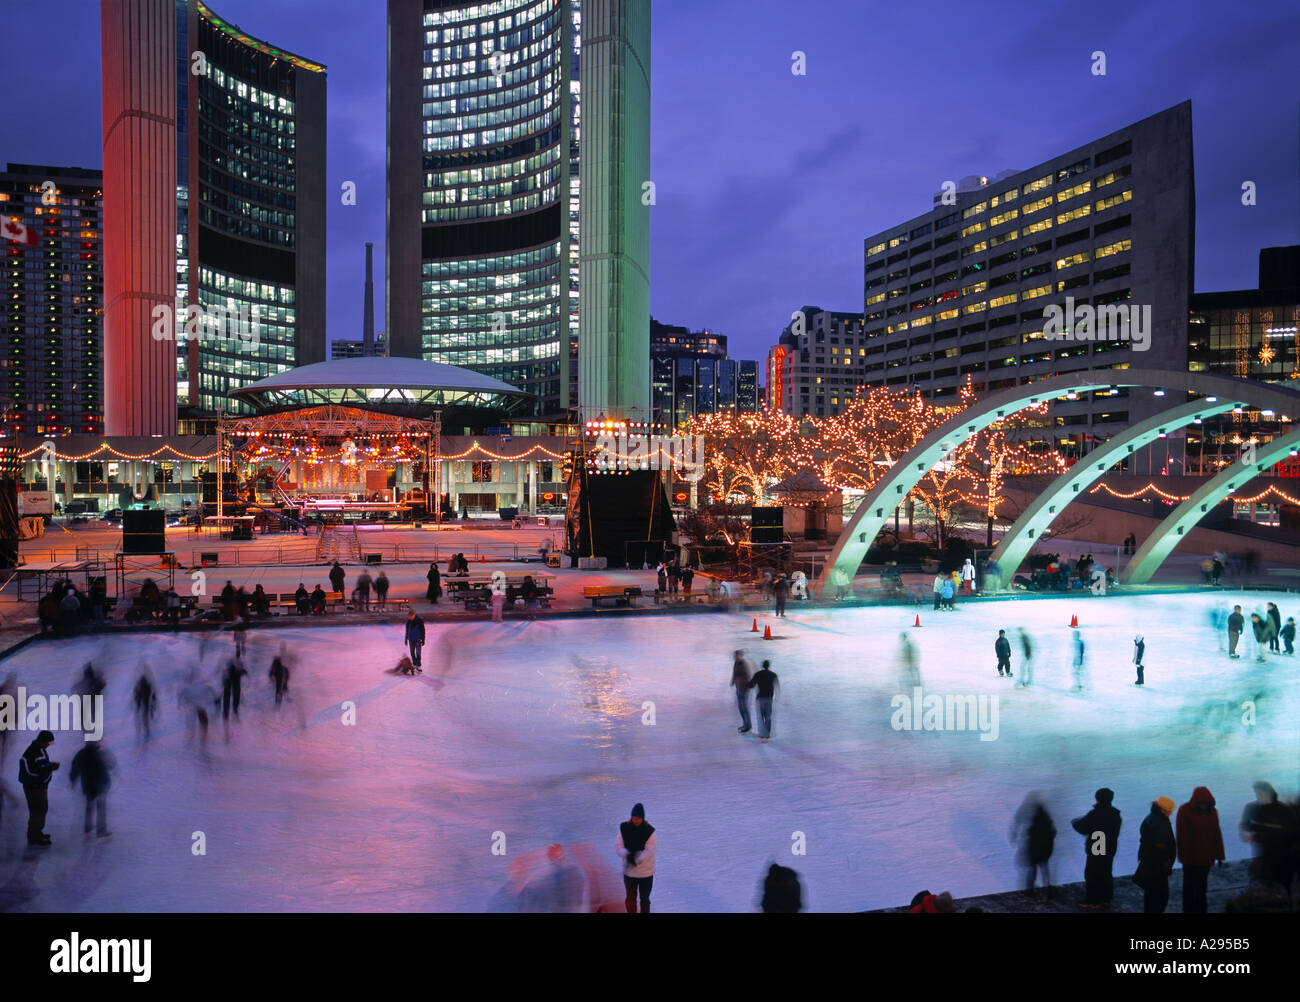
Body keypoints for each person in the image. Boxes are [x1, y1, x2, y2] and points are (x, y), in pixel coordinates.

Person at [1238, 781, 1296, 892]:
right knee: (1265, 884)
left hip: (1283, 856)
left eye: (1261, 793)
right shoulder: (1252, 808)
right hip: (1262, 856)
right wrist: (1245, 833)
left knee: (1283, 884)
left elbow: (1292, 833)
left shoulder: (1283, 810)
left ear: (1270, 793)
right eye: (1257, 794)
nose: (1259, 797)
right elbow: (1244, 825)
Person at [1175, 786, 1225, 914]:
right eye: (1201, 803)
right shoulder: (1184, 811)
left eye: (1206, 803)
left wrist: (1220, 855)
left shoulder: (1213, 812)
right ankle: (1188, 910)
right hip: (1190, 859)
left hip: (1206, 859)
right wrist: (1183, 857)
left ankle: (1201, 910)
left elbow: (1216, 834)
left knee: (1201, 888)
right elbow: (1181, 837)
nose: (1204, 806)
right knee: (1189, 887)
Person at [1071, 787, 1121, 909]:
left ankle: (1092, 901)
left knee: (1092, 874)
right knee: (1106, 872)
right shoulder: (1116, 814)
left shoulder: (1095, 814)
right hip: (1110, 847)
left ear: (1097, 798)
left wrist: (1074, 822)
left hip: (1097, 846)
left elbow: (1082, 827)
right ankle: (1106, 899)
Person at [1134, 796, 1176, 914]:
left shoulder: (1153, 818)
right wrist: (1166, 863)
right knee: (1160, 897)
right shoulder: (1159, 823)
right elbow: (1161, 847)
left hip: (1150, 863)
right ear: (1163, 810)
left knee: (1152, 895)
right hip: (1156, 866)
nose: (1171, 813)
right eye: (1169, 811)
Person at [18, 730, 59, 847]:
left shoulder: (37, 749)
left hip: (37, 786)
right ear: (43, 741)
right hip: (35, 787)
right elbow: (38, 769)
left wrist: (49, 766)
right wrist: (52, 766)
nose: (49, 745)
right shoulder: (36, 751)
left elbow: (38, 766)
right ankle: (34, 837)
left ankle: (36, 833)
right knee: (38, 810)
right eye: (48, 742)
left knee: (39, 810)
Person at [68, 739, 114, 838]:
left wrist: (72, 779)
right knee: (101, 807)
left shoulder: (81, 754)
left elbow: (75, 767)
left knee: (89, 806)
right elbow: (110, 765)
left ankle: (87, 827)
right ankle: (101, 830)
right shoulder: (100, 753)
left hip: (88, 785)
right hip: (100, 785)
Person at [616, 803, 657, 914]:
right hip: (629, 872)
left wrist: (636, 858)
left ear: (642, 818)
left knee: (644, 900)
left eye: (638, 818)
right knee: (630, 899)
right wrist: (626, 854)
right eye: (634, 818)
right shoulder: (624, 828)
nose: (636, 820)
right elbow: (619, 846)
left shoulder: (649, 831)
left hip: (646, 873)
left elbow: (649, 850)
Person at [1010, 797, 1056, 893]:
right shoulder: (1045, 817)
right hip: (1046, 847)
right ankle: (1046, 887)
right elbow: (1054, 832)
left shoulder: (1032, 823)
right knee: (1044, 866)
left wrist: (1014, 836)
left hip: (1035, 848)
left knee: (1032, 867)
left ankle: (1030, 889)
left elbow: (1017, 821)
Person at [750, 659, 779, 742]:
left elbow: (751, 685)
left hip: (760, 698)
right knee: (768, 717)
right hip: (769, 698)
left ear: (762, 665)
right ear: (768, 666)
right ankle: (767, 735)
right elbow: (777, 686)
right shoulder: (773, 675)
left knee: (760, 717)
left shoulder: (757, 674)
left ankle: (762, 734)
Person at [731, 650, 753, 734]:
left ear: (741, 656)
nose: (736, 658)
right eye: (735, 656)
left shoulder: (744, 664)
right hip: (738, 688)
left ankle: (749, 727)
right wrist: (733, 682)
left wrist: (747, 686)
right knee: (740, 708)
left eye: (737, 656)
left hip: (744, 689)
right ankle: (745, 724)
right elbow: (734, 673)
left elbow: (748, 676)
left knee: (745, 708)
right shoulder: (736, 663)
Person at [132, 672, 158, 740]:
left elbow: (135, 695)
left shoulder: (139, 686)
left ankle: (143, 730)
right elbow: (153, 695)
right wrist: (154, 703)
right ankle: (146, 730)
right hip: (146, 703)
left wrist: (137, 703)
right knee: (145, 717)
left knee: (144, 717)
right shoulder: (148, 685)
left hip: (142, 703)